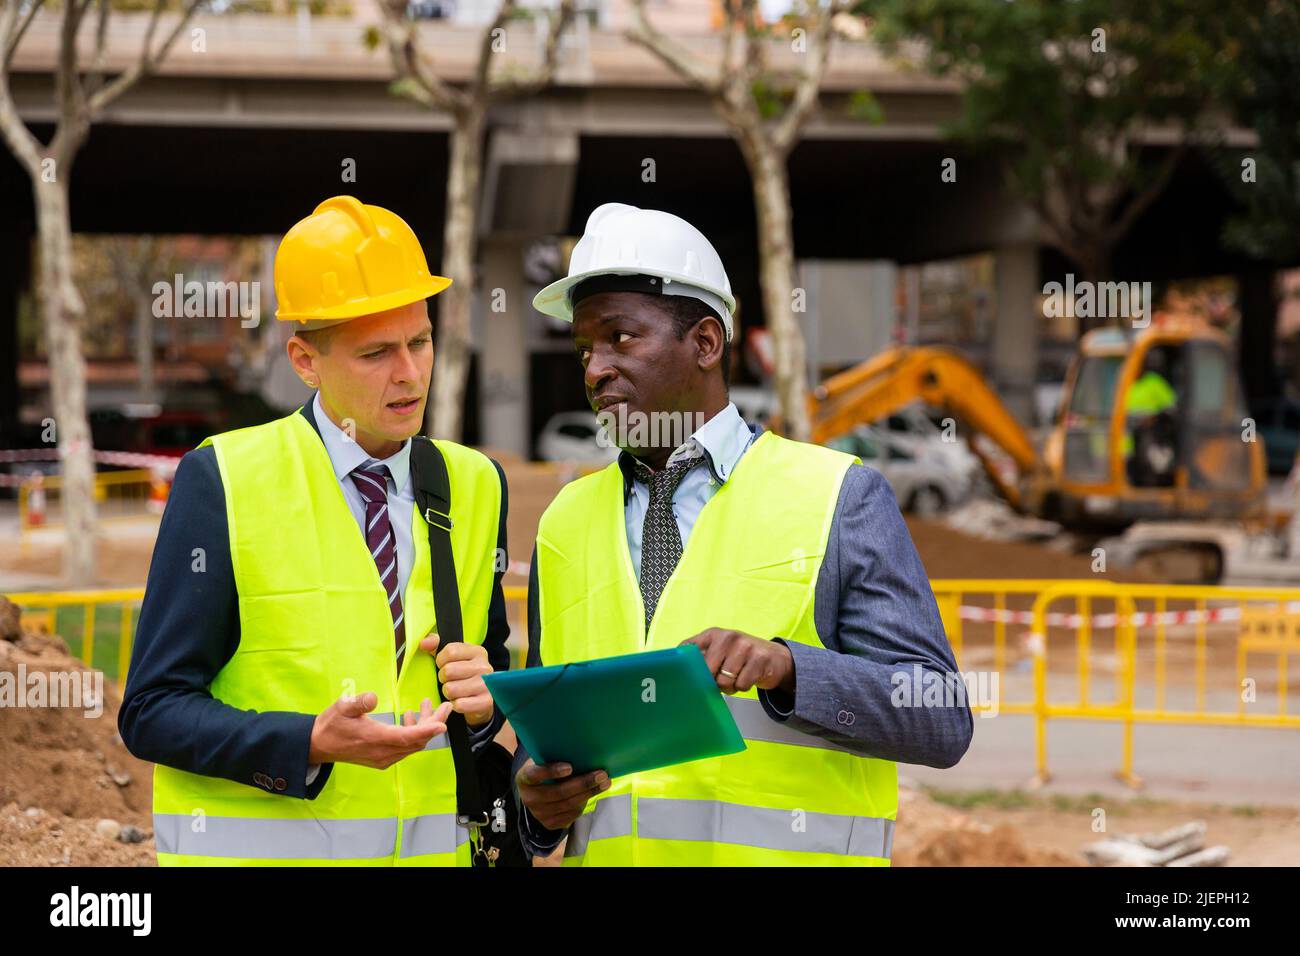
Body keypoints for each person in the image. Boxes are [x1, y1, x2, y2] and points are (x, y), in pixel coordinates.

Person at [514, 203, 972, 866]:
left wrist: (789, 669)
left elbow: (939, 715)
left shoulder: (836, 495)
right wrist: (537, 806)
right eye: (585, 348)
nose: (594, 370)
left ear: (705, 343)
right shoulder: (565, 522)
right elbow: (549, 736)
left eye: (620, 338)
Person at [120, 196, 510, 866]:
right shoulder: (224, 480)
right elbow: (152, 710)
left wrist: (487, 701)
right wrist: (308, 743)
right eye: (376, 353)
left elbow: (490, 678)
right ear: (305, 360)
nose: (409, 373)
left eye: (420, 342)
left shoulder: (476, 484)